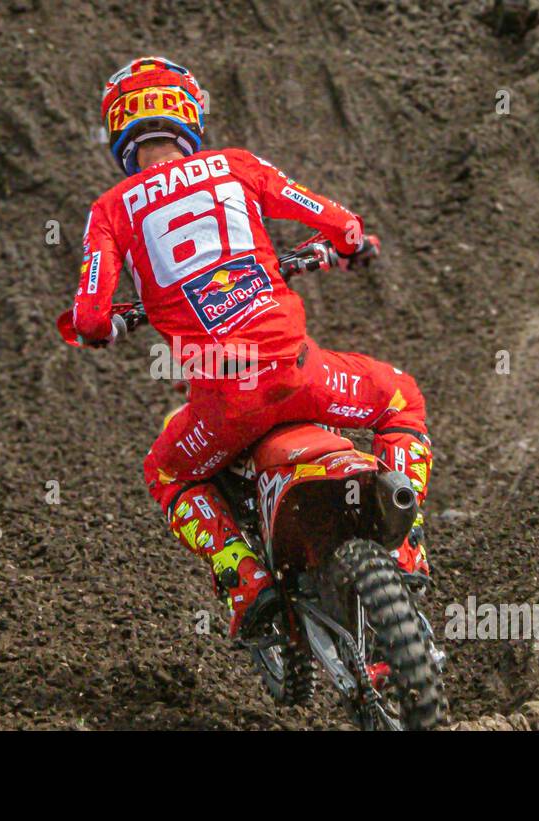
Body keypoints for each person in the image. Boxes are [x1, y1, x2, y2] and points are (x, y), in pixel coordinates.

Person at [69, 56, 433, 637]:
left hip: (224, 405)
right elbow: (341, 225)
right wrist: (344, 243)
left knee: (166, 473)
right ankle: (406, 542)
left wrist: (110, 324)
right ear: (188, 114)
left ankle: (243, 578)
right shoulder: (237, 166)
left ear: (120, 130)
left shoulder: (110, 212)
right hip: (302, 375)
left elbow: (89, 319)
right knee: (401, 399)